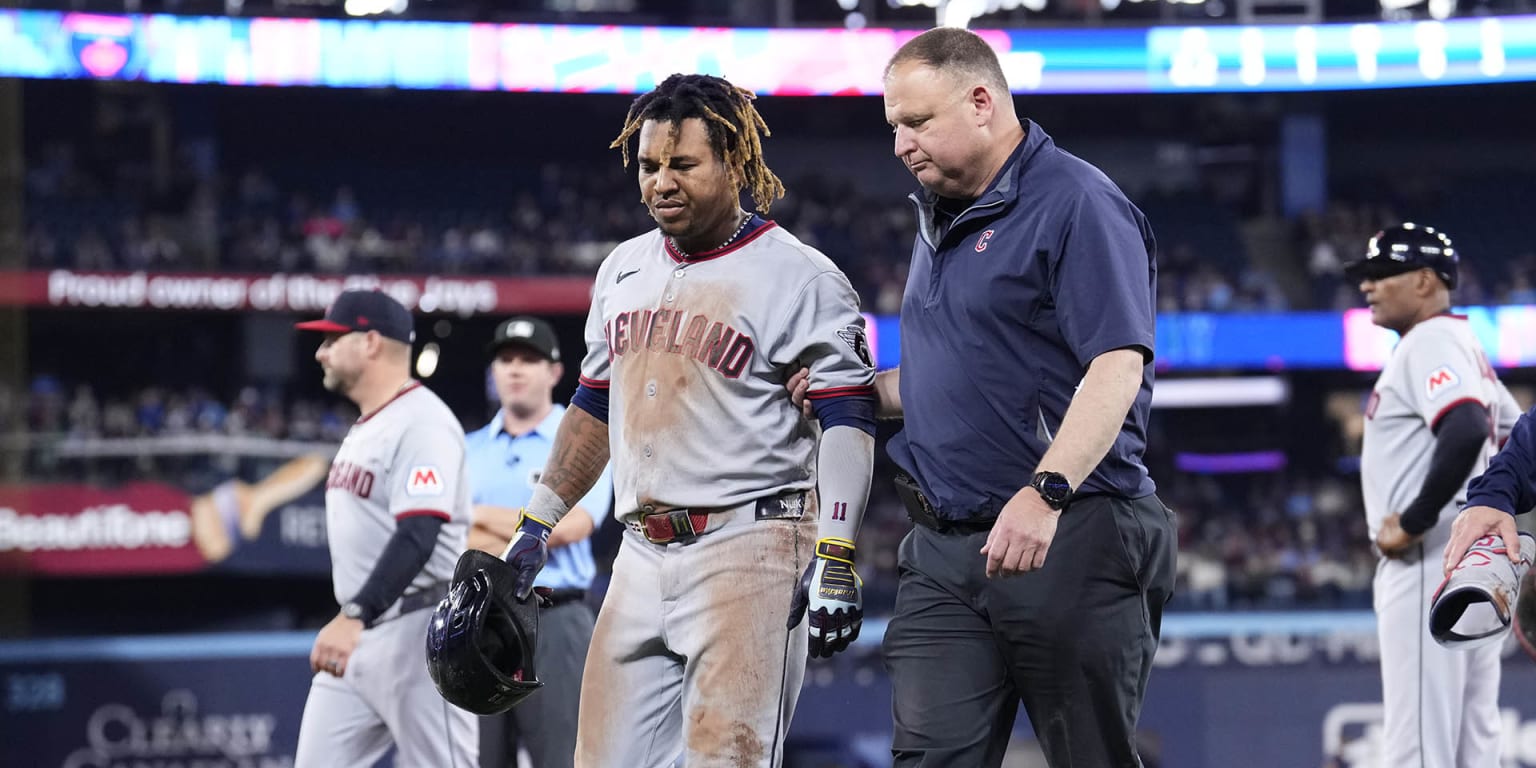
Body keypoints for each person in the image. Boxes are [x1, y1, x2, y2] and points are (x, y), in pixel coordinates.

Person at [495, 73, 878, 767]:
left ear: (733, 164)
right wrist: (536, 523)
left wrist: (837, 553)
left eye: (682, 164)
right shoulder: (622, 268)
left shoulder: (803, 277)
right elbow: (593, 406)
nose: (660, 183)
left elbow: (848, 416)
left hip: (750, 547)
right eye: (648, 166)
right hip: (639, 554)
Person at [852, 27, 1174, 767]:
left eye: (917, 122)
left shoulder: (1078, 202)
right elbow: (955, 382)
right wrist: (853, 396)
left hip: (1073, 533)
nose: (901, 143)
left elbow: (1117, 368)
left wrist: (1046, 493)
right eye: (894, 126)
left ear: (981, 101)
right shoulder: (939, 217)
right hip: (944, 550)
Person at [1342, 223, 1520, 766]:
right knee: (1473, 744)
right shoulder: (1466, 344)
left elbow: (1465, 426)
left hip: (1428, 561)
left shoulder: (1430, 339)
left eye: (1381, 273)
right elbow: (1514, 442)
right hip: (1474, 566)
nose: (1367, 286)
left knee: (1419, 747)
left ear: (1425, 280)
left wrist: (1416, 519)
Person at [291, 289, 478, 768]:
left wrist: (354, 614)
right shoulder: (371, 423)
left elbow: (419, 534)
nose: (320, 351)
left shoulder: (423, 421)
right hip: (364, 633)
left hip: (420, 630)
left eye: (333, 338)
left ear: (371, 342)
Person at [463, 315, 613, 768]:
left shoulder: (583, 446)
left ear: (554, 371)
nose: (514, 369)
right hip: (481, 621)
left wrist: (477, 514)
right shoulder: (467, 448)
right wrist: (530, 525)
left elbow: (570, 527)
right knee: (484, 760)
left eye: (528, 360)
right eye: (505, 359)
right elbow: (459, 537)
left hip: (556, 617)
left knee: (563, 758)